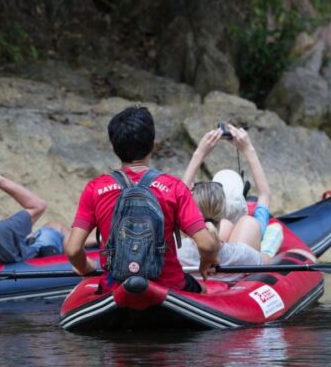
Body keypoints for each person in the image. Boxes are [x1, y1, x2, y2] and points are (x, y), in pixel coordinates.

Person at [64, 106, 220, 292]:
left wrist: (85, 268)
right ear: (153, 145)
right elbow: (207, 245)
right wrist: (206, 262)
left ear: (114, 147)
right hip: (169, 286)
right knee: (205, 291)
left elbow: (73, 250)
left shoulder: (95, 189)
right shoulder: (174, 187)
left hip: (114, 288)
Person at [179, 123, 281, 273]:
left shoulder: (179, 250)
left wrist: (200, 152)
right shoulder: (241, 254)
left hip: (189, 289)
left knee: (229, 225)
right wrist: (248, 149)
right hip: (234, 281)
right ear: (222, 211)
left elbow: (178, 198)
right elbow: (264, 195)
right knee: (247, 223)